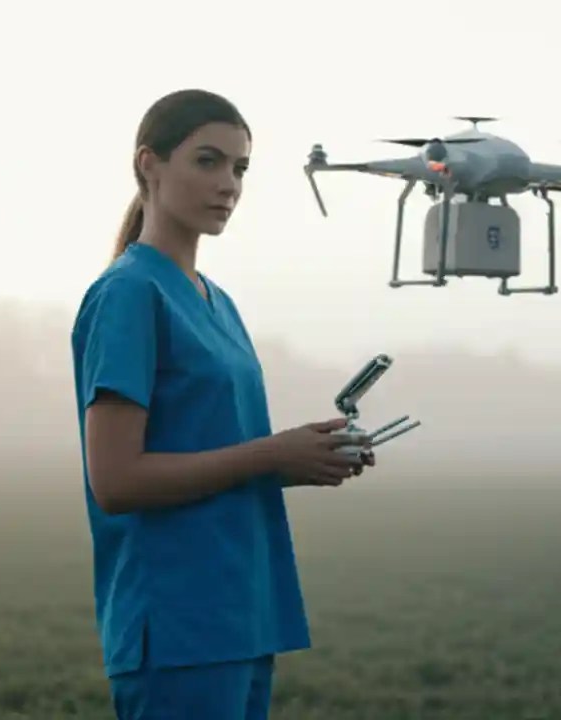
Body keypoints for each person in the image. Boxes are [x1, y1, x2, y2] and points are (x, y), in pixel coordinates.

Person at [70, 88, 375, 720]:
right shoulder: (129, 295)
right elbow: (117, 480)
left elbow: (212, 454)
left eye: (239, 168)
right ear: (148, 165)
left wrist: (303, 458)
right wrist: (268, 453)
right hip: (177, 623)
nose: (228, 184)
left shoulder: (218, 301)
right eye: (207, 161)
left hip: (243, 613)